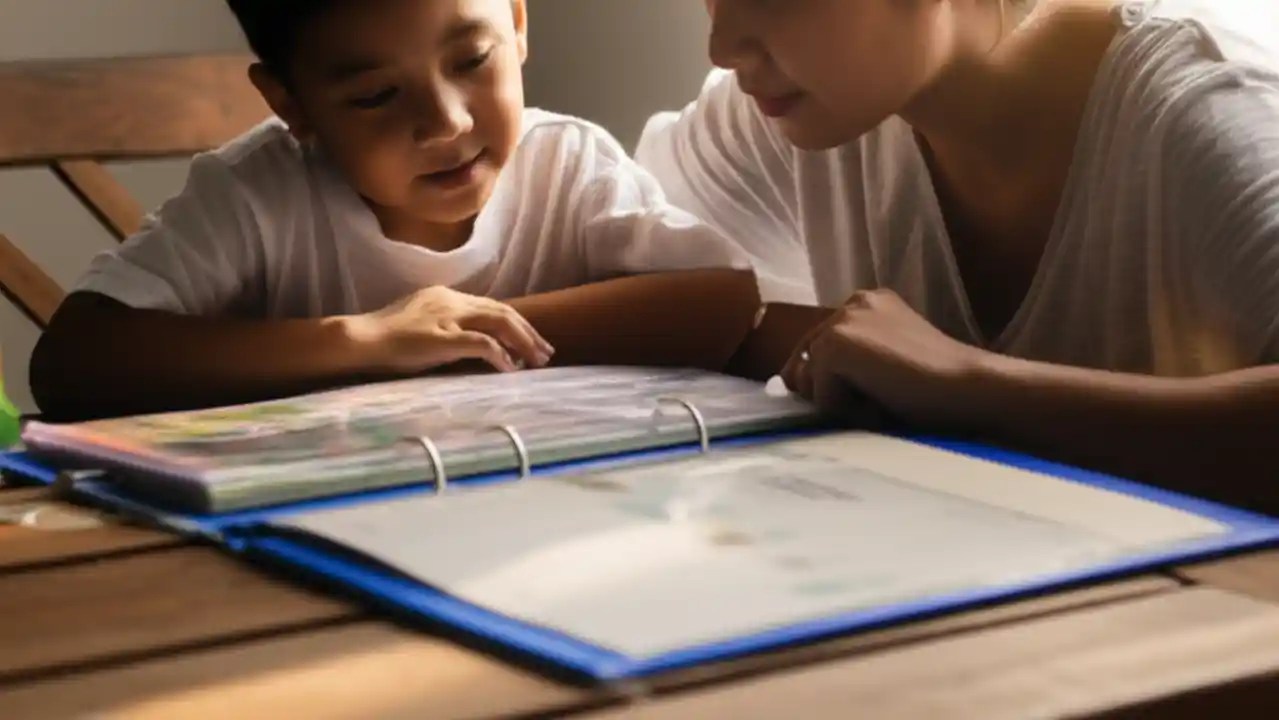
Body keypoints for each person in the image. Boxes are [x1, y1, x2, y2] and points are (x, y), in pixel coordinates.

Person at [637, 0, 1279, 503]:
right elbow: (608, 232)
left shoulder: (1205, 115)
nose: (722, 48)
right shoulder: (798, 112)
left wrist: (969, 386)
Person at [28, 0, 767, 420]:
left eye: (473, 61)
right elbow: (72, 363)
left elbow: (719, 301)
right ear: (291, 104)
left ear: (516, 21)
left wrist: (457, 335)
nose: (445, 122)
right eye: (376, 96)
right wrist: (370, 338)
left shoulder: (567, 164)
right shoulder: (253, 195)